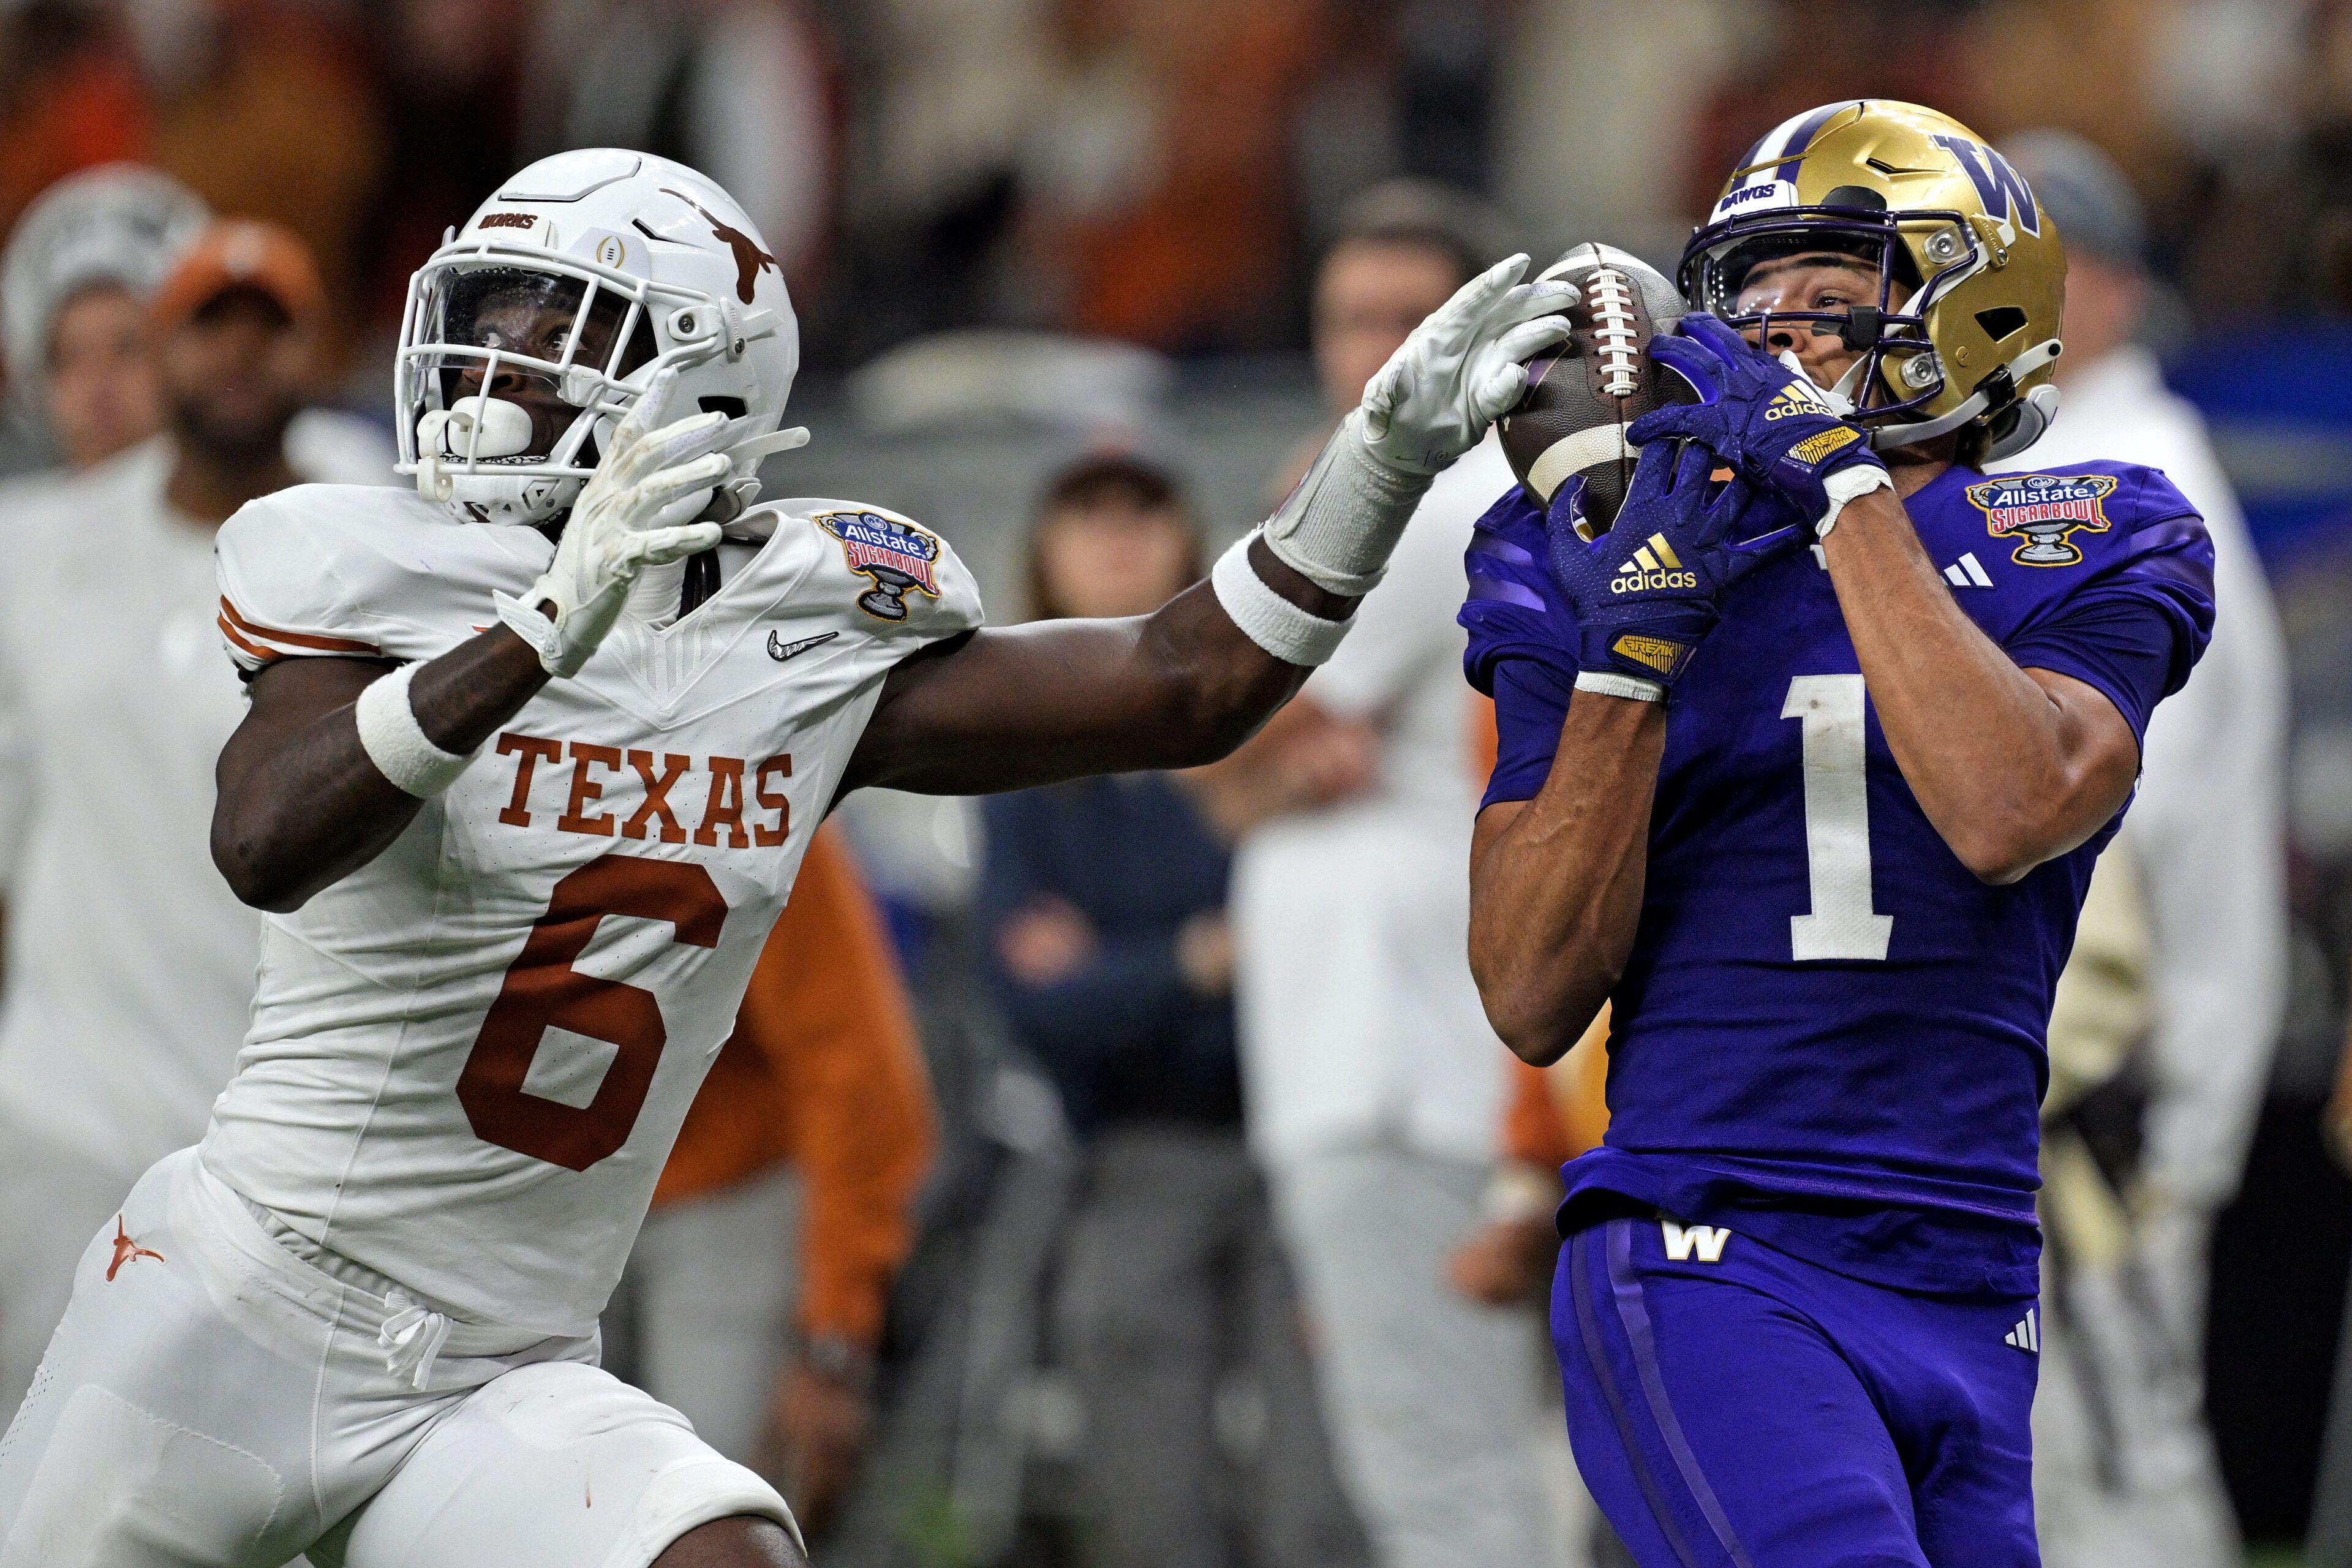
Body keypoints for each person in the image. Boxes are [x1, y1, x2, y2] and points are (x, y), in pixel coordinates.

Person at [0, 146, 1572, 1567]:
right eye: (492, 311)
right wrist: (542, 631)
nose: (495, 365)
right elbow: (265, 835)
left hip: (504, 1362)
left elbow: (1185, 680)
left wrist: (1381, 456)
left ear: (700, 382)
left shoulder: (802, 633)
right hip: (238, 1309)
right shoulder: (370, 561)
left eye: (556, 324)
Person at [1463, 100, 2215, 1568]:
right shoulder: (1600, 540)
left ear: (1972, 304)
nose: (1778, 337)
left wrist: (1844, 490)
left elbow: (2004, 806)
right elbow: (1527, 988)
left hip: (1973, 1268)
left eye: (1832, 298)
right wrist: (1628, 657)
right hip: (1708, 1240)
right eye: (1751, 301)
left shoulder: (2097, 524)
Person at [1203, 184, 1562, 1568]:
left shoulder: (1445, 493)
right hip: (1400, 1055)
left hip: (1402, 1061)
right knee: (1486, 1465)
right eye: (1349, 319)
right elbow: (1245, 746)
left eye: (1407, 321)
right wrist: (1251, 757)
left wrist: (1237, 748)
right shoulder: (1384, 488)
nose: (1374, 354)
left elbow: (1203, 704)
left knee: (1438, 1482)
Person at [0, 218, 390, 1422]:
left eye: (266, 333)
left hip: (295, 1142)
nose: (236, 363)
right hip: (71, 1125)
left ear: (315, 349)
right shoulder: (31, 550)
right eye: (203, 332)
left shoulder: (387, 530)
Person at [1990, 129, 2288, 1568]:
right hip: (2094, 1075)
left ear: (2104, 287)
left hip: (2115, 1081)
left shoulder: (2122, 480)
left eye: (2021, 268)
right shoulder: (2055, 465)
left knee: (2117, 1472)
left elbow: (2100, 820)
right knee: (2071, 1466)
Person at [979, 453, 1361, 1568]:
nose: (1117, 540)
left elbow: (1304, 951)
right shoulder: (1016, 751)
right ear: (1043, 551)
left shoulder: (1267, 714)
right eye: (1086, 515)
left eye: (1144, 513)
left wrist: (1122, 969)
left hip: (1300, 1137)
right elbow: (1035, 1005)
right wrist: (1198, 959)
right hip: (1135, 1151)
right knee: (1150, 1512)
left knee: (1323, 1505)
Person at [606, 824, 933, 1536]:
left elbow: (860, 1079)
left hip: (722, 1196)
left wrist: (833, 1340)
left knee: (714, 1520)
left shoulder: (747, 798)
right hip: (523, 1199)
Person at [0, 164, 394, 488]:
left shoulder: (331, 472)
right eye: (67, 359)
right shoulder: (18, 527)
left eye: (128, 347)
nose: (98, 388)